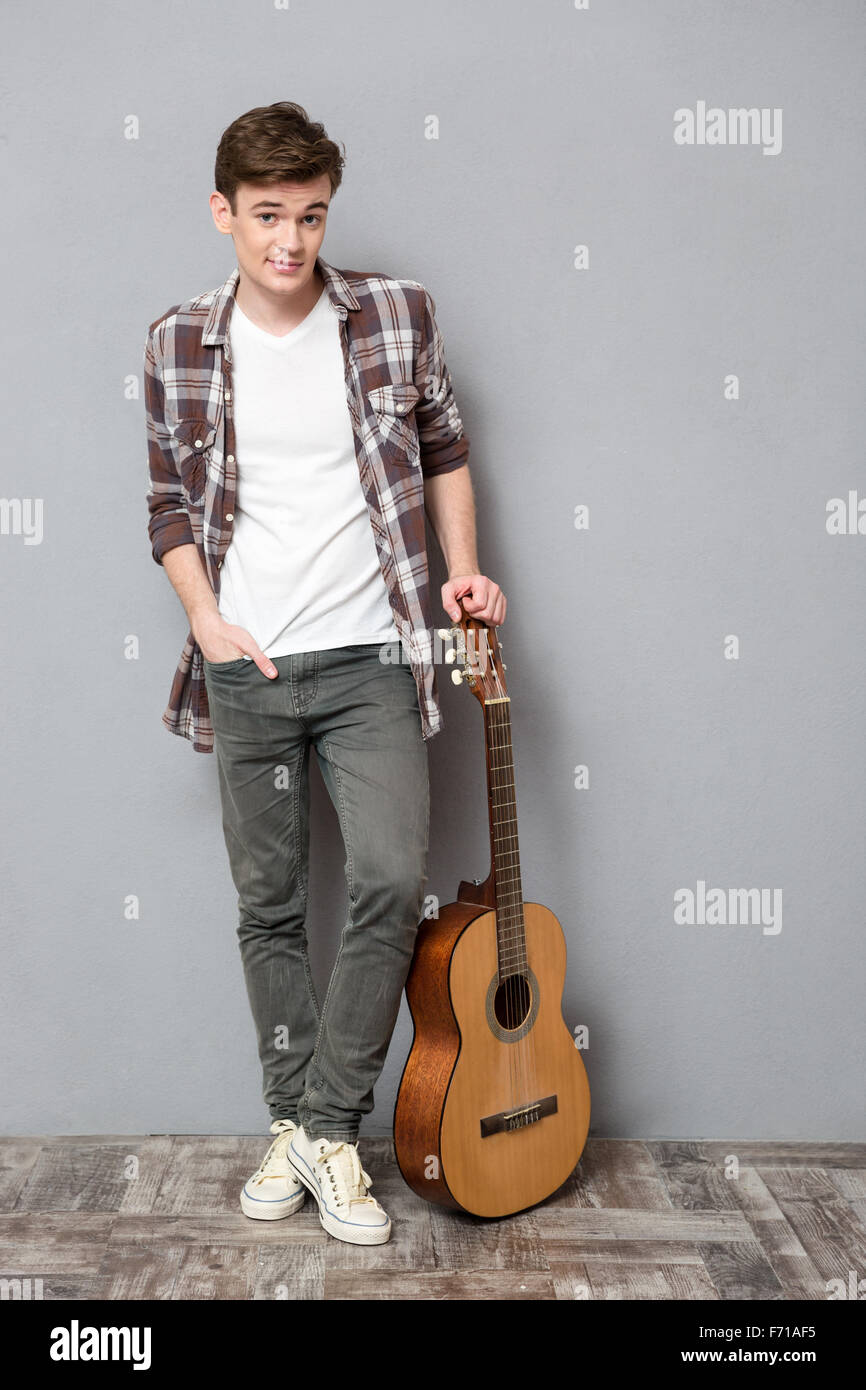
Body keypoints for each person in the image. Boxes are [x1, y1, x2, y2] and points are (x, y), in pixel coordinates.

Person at [142, 101, 506, 1246]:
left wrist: (463, 576)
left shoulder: (396, 316)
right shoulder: (174, 340)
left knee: (390, 882)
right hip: (247, 664)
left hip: (372, 653)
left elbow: (444, 447)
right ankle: (303, 1125)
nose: (288, 243)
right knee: (270, 906)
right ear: (222, 212)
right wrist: (202, 618)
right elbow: (165, 502)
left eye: (307, 216)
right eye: (264, 217)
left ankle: (324, 1127)